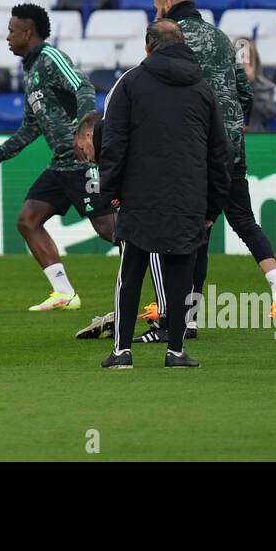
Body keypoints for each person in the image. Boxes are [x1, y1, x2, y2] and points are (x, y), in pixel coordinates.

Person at [153, 0, 276, 337]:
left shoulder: (170, 37)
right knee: (245, 221)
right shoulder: (221, 37)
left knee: (195, 233)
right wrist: (235, 123)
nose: (155, 14)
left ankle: (188, 319)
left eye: (157, 8)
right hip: (231, 146)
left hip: (194, 150)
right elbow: (244, 89)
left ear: (168, 5)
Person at [97, 21, 230, 369]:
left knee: (130, 275)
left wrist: (110, 191)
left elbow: (114, 143)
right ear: (183, 45)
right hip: (188, 197)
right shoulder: (202, 89)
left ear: (148, 48)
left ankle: (122, 351)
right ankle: (175, 352)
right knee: (181, 275)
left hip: (139, 196)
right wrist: (213, 205)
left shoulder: (130, 84)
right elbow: (220, 151)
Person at [0, 4, 108, 311]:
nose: (8, 37)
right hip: (61, 165)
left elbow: (83, 85)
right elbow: (31, 127)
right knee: (27, 220)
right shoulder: (30, 70)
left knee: (111, 230)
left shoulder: (50, 58)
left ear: (27, 32)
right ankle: (64, 293)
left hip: (83, 163)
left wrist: (86, 131)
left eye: (11, 31)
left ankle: (161, 287)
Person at [237, 39, 276, 133]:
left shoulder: (268, 88)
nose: (243, 65)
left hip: (258, 138)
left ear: (254, 62)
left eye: (247, 60)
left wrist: (253, 87)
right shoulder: (222, 87)